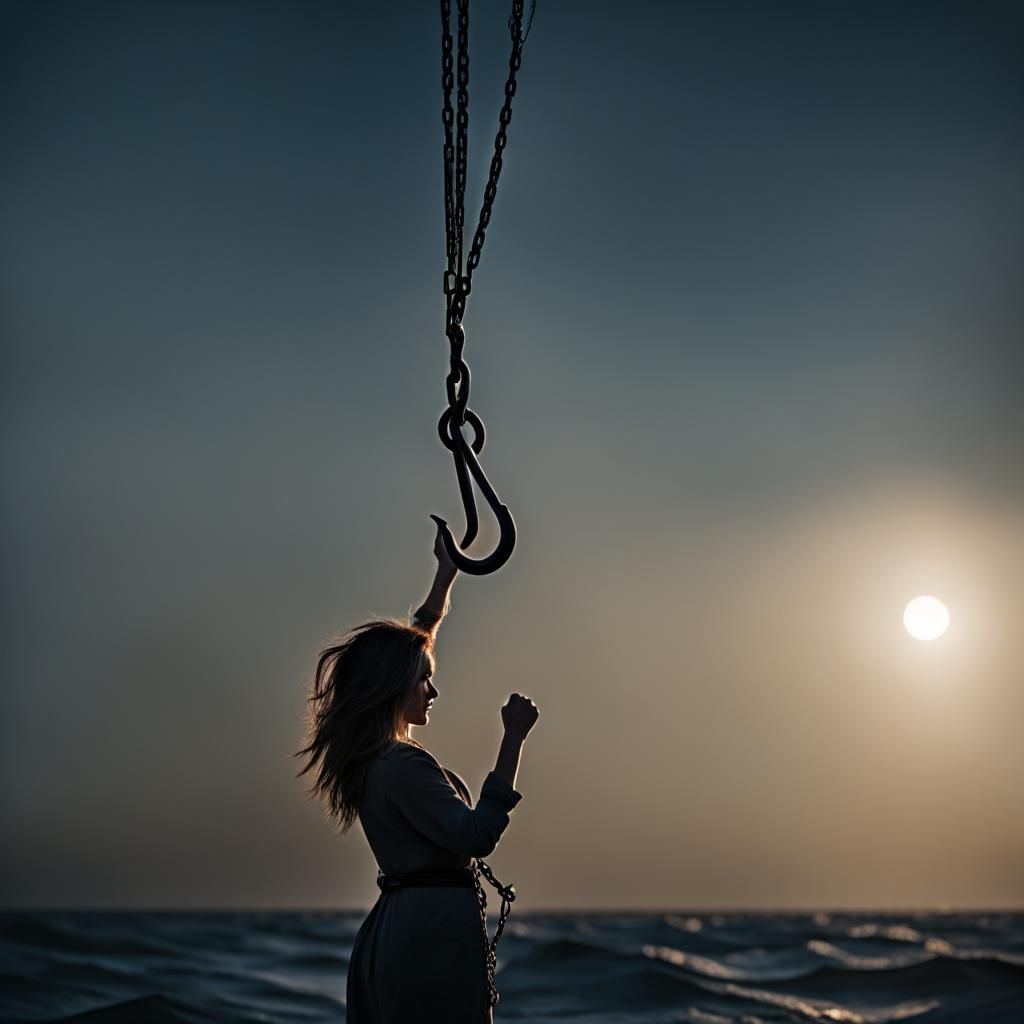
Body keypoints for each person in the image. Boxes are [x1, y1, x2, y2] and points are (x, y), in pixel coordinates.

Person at [295, 521, 539, 1023]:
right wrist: (512, 741)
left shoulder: (369, 756)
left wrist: (445, 577)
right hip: (429, 936)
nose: (433, 692)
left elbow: (412, 644)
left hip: (404, 925)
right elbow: (476, 834)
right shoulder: (402, 764)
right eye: (424, 682)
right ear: (394, 687)